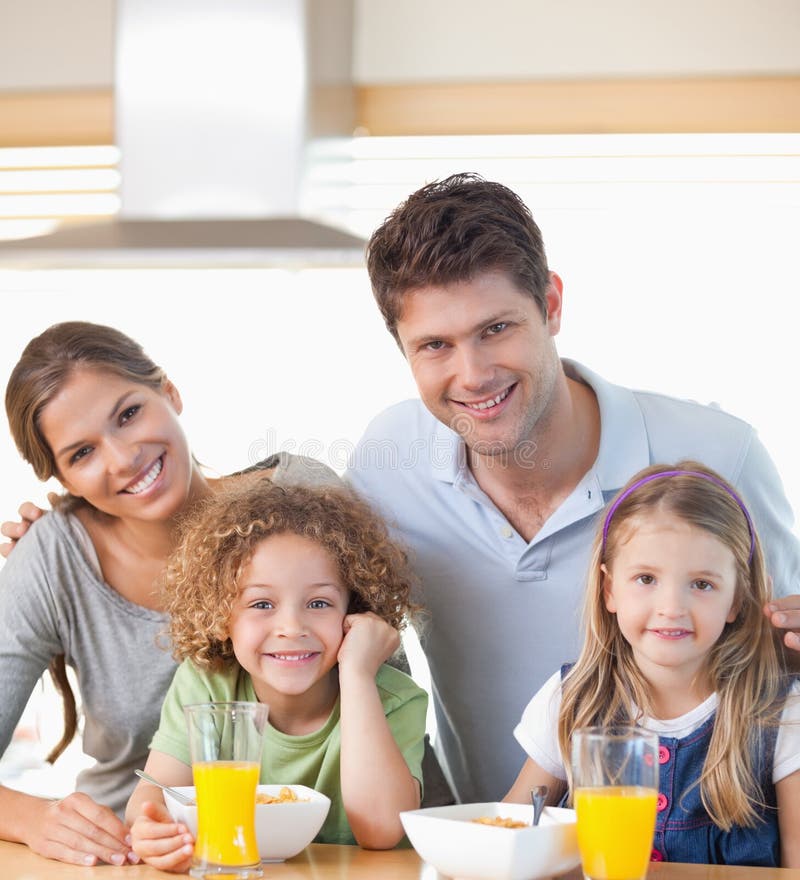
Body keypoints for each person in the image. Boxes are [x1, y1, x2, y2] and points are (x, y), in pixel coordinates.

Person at [347, 172, 800, 804]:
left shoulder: (722, 455)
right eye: (434, 345)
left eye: (496, 329)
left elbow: (781, 655)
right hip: (492, 840)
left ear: (552, 305)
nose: (472, 374)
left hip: (696, 843)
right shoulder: (386, 465)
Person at [0, 321, 337, 867]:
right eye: (82, 453)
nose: (122, 458)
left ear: (170, 393)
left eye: (128, 414)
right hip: (137, 859)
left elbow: (388, 691)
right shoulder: (52, 556)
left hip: (333, 850)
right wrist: (30, 818)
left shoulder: (303, 502)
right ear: (63, 480)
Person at [505, 462, 800, 867]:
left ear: (736, 599)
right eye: (646, 579)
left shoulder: (782, 713)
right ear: (610, 589)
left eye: (702, 584)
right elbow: (510, 837)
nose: (671, 607)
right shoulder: (571, 699)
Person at [126, 479, 426, 871]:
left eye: (318, 603)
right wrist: (153, 830)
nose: (291, 627)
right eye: (262, 604)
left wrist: (357, 675)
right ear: (221, 616)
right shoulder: (207, 684)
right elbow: (152, 797)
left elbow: (381, 830)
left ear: (354, 611)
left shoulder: (395, 699)